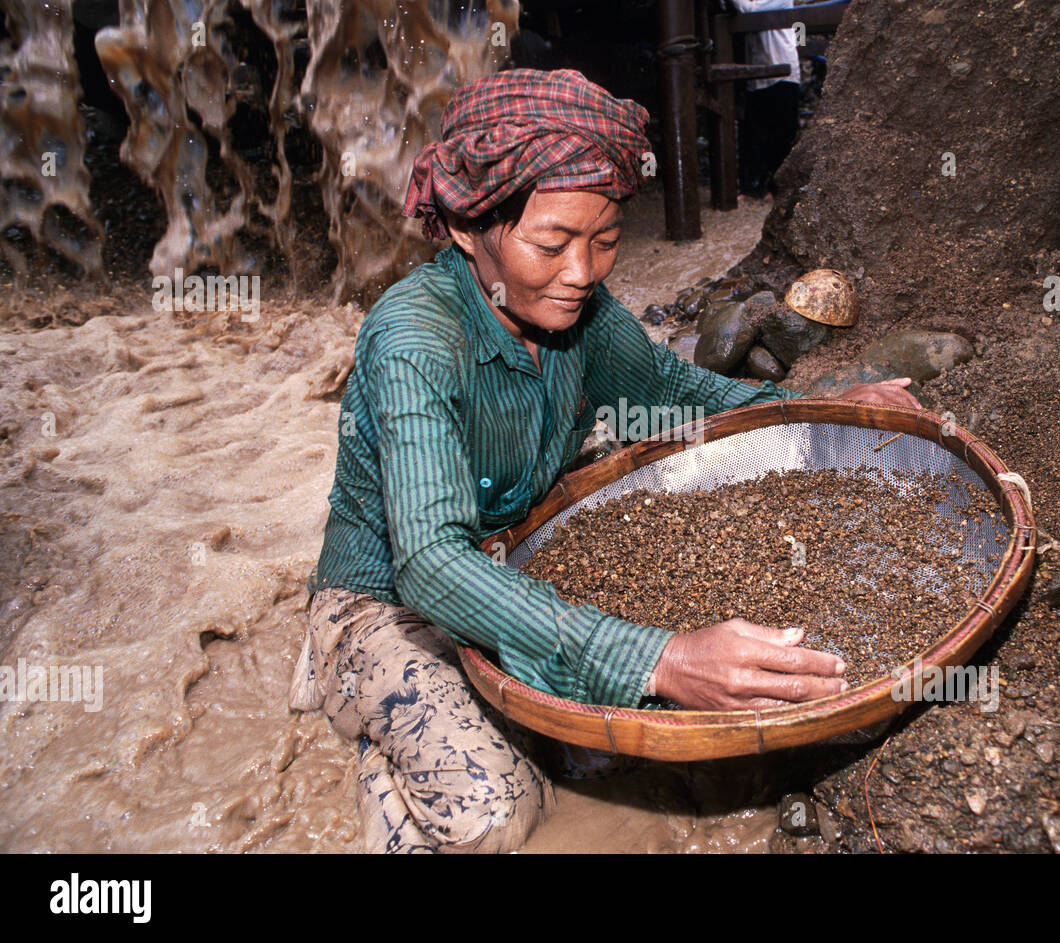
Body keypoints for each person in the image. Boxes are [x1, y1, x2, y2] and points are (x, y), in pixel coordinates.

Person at [289, 67, 919, 854]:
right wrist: (661, 657)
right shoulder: (414, 340)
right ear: (466, 229)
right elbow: (428, 562)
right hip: (388, 598)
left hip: (513, 563)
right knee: (494, 812)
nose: (583, 273)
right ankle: (360, 710)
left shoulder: (583, 317)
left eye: (606, 239)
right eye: (551, 243)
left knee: (628, 746)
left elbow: (676, 393)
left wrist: (835, 400)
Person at [729, 0, 802, 199]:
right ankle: (756, 189)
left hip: (781, 71)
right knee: (756, 133)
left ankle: (780, 189)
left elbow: (749, 10)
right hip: (758, 74)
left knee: (782, 134)